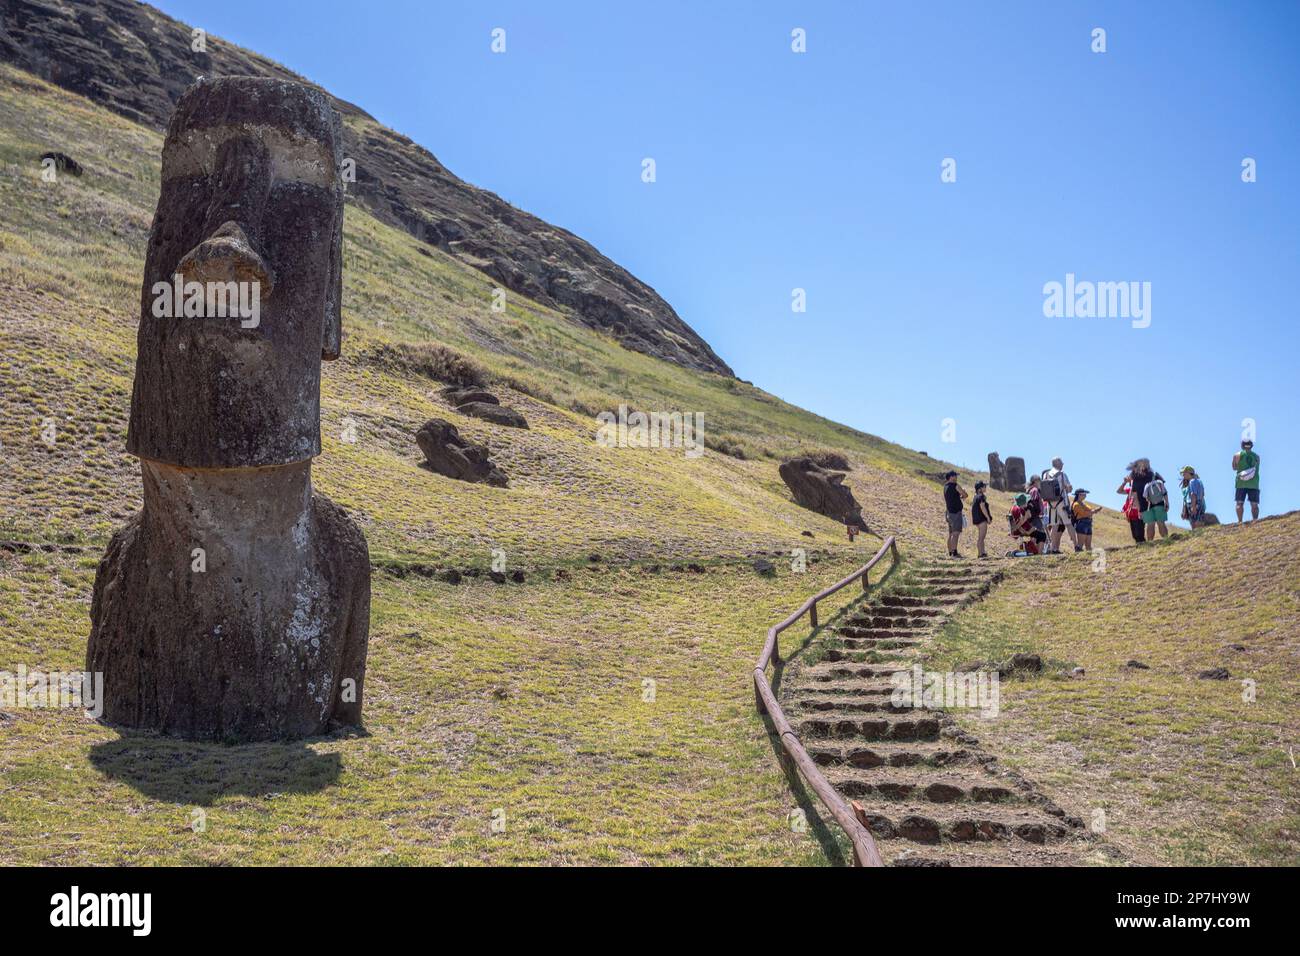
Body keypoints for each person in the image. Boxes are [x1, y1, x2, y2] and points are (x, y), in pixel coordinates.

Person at [1040, 457, 1080, 553]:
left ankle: (1053, 548)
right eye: (1061, 462)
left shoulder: (1045, 474)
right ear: (1057, 463)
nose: (1063, 464)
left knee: (1054, 526)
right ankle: (1076, 546)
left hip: (1050, 503)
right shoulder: (1062, 474)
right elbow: (1068, 489)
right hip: (1061, 502)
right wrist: (1070, 487)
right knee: (1068, 523)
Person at [1131, 458, 1169, 541]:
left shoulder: (1135, 479)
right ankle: (1166, 540)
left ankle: (1150, 543)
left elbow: (1135, 496)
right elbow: (1163, 489)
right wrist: (1166, 502)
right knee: (1161, 522)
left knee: (1150, 524)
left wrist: (1139, 510)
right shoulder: (1154, 474)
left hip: (1144, 506)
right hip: (1158, 502)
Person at [1232, 439, 1260, 523]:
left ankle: (1240, 521)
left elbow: (1234, 468)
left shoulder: (1237, 455)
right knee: (1254, 504)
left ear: (1242, 445)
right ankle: (1255, 520)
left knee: (1239, 503)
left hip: (1241, 482)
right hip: (1253, 483)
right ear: (1251, 446)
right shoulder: (1257, 457)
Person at [943, 470, 968, 558]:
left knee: (950, 534)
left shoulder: (945, 486)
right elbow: (965, 495)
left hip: (949, 512)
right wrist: (962, 492)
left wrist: (959, 496)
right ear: (951, 477)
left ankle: (950, 552)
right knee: (956, 533)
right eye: (955, 476)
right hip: (956, 513)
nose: (956, 477)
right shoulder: (955, 486)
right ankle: (954, 552)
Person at [1117, 470, 1146, 545]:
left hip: (1139, 514)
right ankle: (1140, 547)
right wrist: (1124, 483)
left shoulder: (1140, 488)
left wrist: (1132, 481)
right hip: (1131, 515)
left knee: (1139, 534)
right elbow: (1119, 491)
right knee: (1135, 535)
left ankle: (1143, 547)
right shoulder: (1130, 490)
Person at [971, 480, 993, 558]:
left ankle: (982, 552)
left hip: (977, 520)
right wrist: (987, 517)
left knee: (981, 538)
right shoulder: (981, 496)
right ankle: (980, 554)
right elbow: (982, 507)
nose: (985, 487)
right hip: (981, 520)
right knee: (981, 538)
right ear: (979, 489)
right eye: (984, 486)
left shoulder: (975, 496)